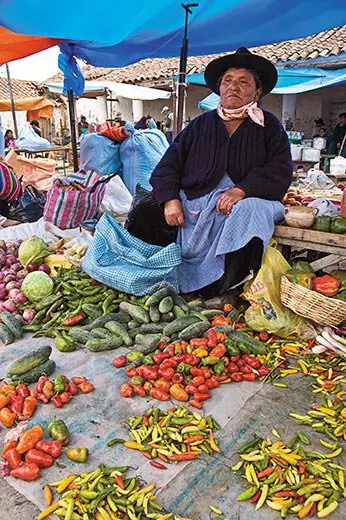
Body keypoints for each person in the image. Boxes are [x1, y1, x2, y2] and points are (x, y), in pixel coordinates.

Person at [127, 47, 292, 303]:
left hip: (249, 197)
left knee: (248, 212)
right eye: (227, 80)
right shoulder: (200, 125)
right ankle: (160, 278)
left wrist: (242, 190)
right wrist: (170, 199)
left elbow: (280, 170)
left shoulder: (269, 126)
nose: (233, 87)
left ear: (257, 92)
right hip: (198, 198)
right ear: (219, 89)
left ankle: (228, 288)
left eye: (243, 81)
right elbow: (168, 165)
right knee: (144, 210)